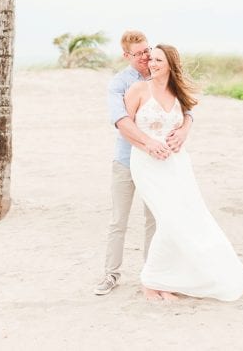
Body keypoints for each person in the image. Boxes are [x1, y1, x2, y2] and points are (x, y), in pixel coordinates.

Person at [124, 44, 243, 301]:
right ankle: (151, 281)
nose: (152, 64)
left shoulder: (177, 91)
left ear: (171, 64)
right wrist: (147, 144)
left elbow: (188, 115)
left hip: (177, 164)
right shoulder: (138, 89)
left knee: (189, 217)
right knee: (169, 219)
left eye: (159, 60)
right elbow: (124, 126)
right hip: (146, 163)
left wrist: (185, 130)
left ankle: (168, 278)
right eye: (151, 59)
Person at [94, 31, 193, 296]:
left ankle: (152, 275)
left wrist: (184, 130)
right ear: (126, 56)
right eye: (139, 53)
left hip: (159, 164)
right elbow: (121, 121)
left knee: (155, 220)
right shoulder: (120, 83)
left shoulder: (161, 75)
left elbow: (185, 109)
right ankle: (111, 274)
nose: (146, 57)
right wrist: (148, 143)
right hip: (127, 160)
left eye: (147, 50)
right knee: (119, 220)